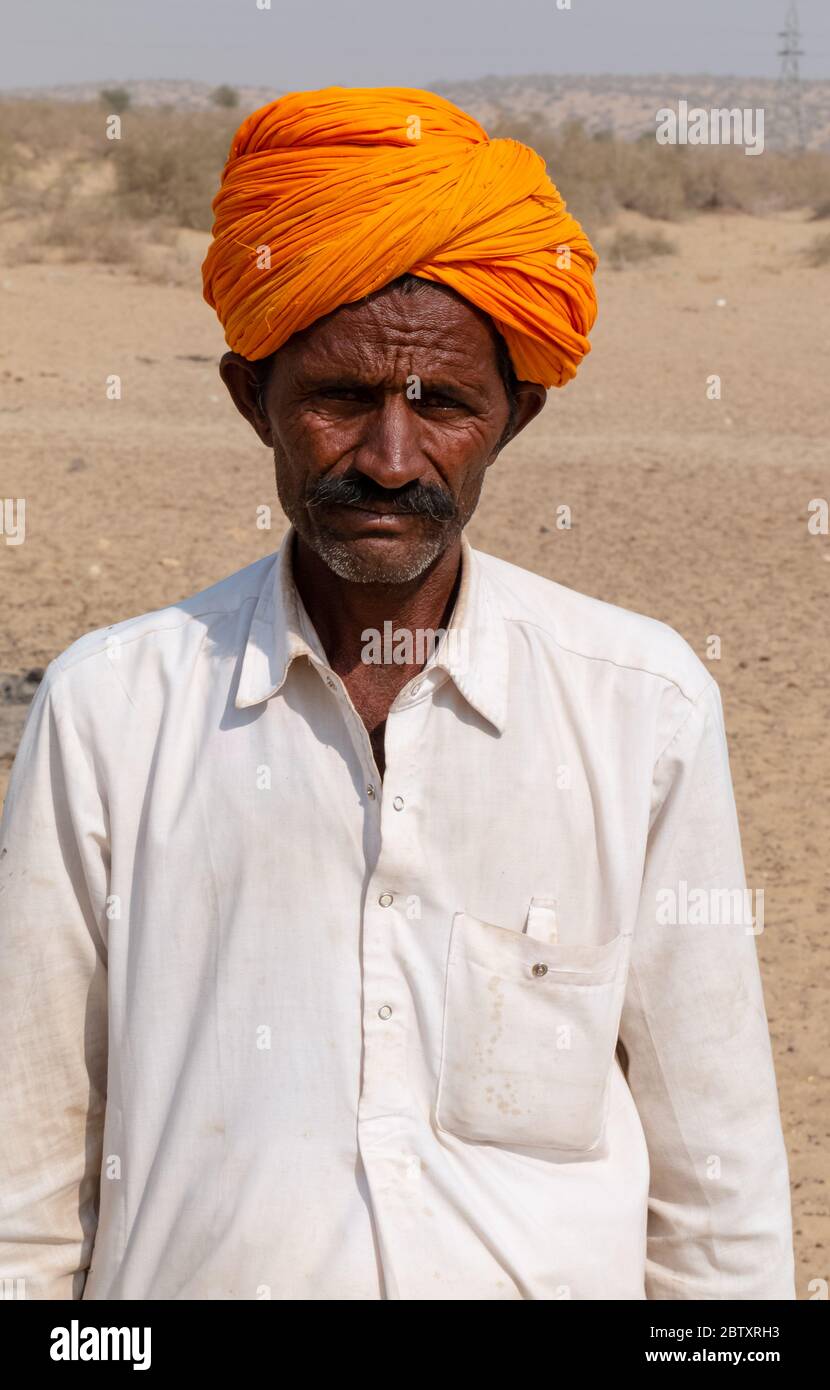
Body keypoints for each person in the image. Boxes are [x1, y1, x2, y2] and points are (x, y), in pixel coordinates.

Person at [0, 85, 794, 1300]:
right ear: (246, 396)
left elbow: (716, 1181)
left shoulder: (640, 705)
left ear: (512, 418)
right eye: (337, 398)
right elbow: (26, 1182)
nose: (387, 457)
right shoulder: (113, 708)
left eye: (441, 405)